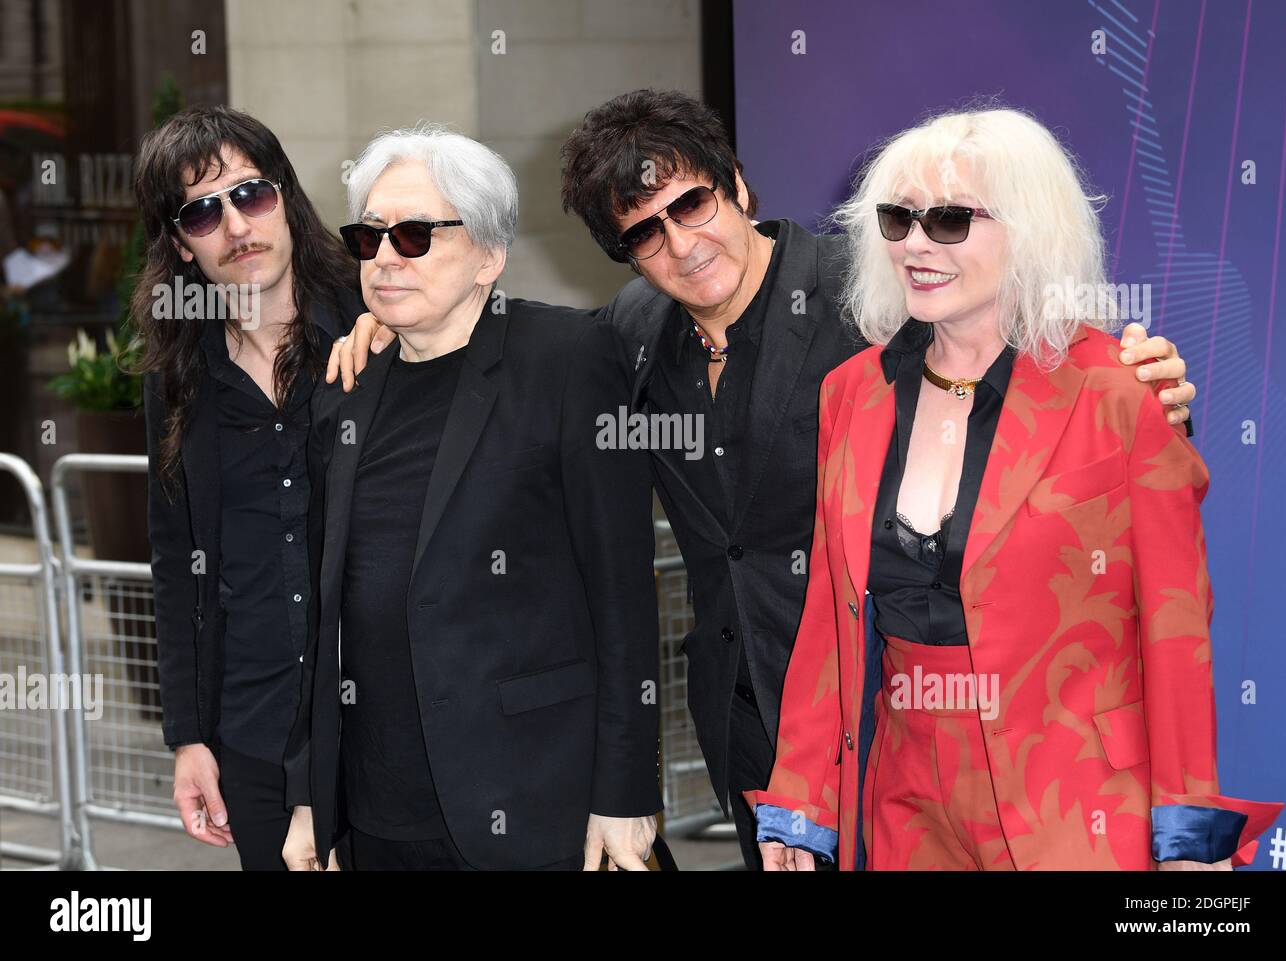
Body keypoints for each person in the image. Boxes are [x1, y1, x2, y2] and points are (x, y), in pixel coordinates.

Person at [330, 89, 1199, 870]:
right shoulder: (628, 340)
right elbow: (513, 356)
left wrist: (1143, 380)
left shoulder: (872, 297)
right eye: (643, 231)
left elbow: (1019, 378)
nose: (681, 242)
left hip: (904, 718)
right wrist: (387, 338)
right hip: (752, 729)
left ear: (737, 186)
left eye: (693, 203)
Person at [749, 107, 1282, 870]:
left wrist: (1187, 834)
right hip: (908, 799)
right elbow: (828, 619)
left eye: (951, 219)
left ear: (1029, 230)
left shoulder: (1119, 390)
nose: (916, 245)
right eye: (899, 219)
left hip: (1081, 798)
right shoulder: (851, 394)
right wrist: (801, 801)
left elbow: (1175, 626)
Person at [279, 126, 661, 871]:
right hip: (378, 811)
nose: (387, 256)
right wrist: (310, 799)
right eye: (369, 236)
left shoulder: (567, 360)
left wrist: (625, 791)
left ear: (489, 254)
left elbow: (623, 596)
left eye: (417, 235)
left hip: (531, 796)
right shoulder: (346, 387)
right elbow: (326, 614)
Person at [135, 105, 364, 869]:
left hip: (378, 717)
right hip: (253, 730)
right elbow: (177, 563)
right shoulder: (177, 381)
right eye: (202, 211)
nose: (236, 226)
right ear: (180, 243)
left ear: (286, 198)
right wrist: (190, 737)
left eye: (251, 194)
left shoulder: (374, 333)